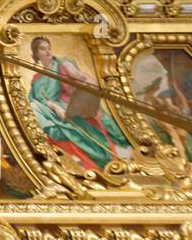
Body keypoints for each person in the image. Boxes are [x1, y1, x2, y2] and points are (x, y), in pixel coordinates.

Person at [27, 36, 127, 173]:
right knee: (36, 110)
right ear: (36, 54)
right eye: (43, 49)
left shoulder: (62, 64)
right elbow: (33, 100)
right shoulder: (36, 79)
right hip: (51, 112)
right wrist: (53, 106)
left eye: (49, 48)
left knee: (84, 125)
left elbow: (76, 74)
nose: (48, 52)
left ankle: (104, 160)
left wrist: (81, 77)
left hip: (69, 106)